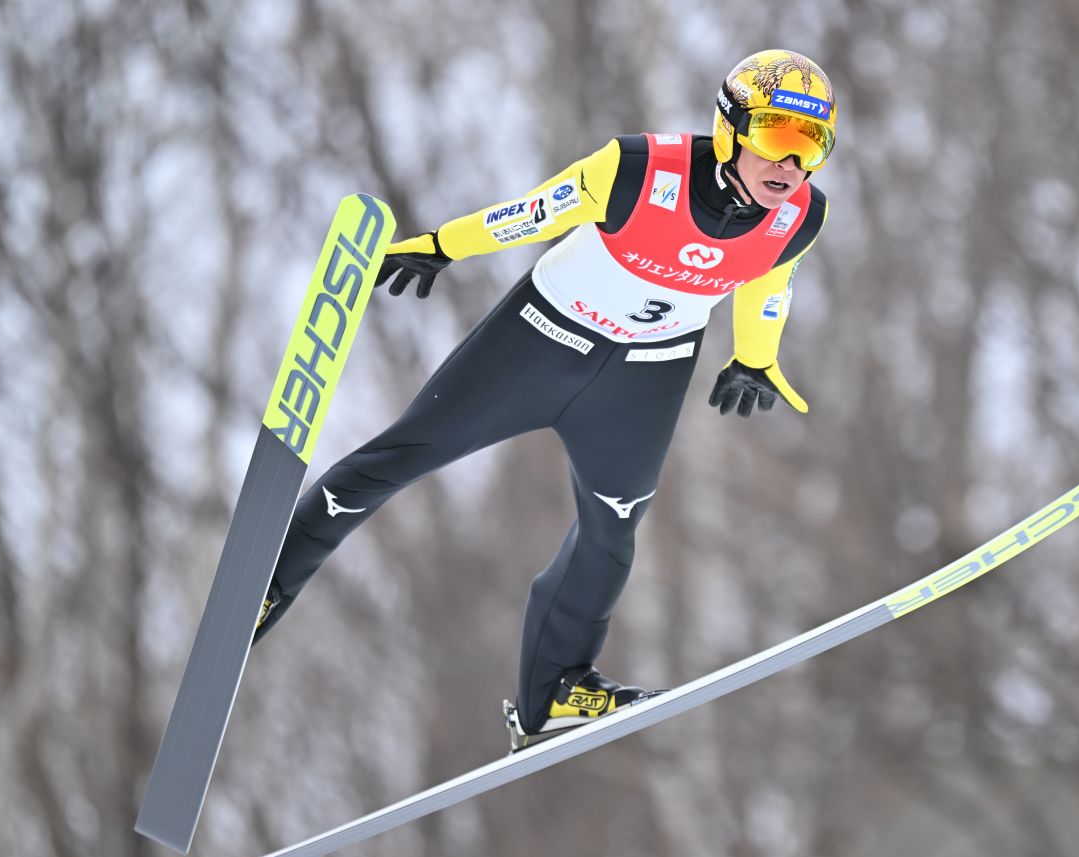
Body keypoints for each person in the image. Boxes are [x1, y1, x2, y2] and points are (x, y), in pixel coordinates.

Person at [252, 49, 837, 750]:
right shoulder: (638, 169)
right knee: (402, 455)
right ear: (731, 129)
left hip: (645, 373)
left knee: (612, 527)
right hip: (540, 341)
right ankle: (267, 585)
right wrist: (443, 245)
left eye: (812, 146)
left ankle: (554, 691)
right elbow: (530, 214)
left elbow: (772, 281)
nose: (791, 166)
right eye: (778, 140)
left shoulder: (800, 215)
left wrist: (754, 357)